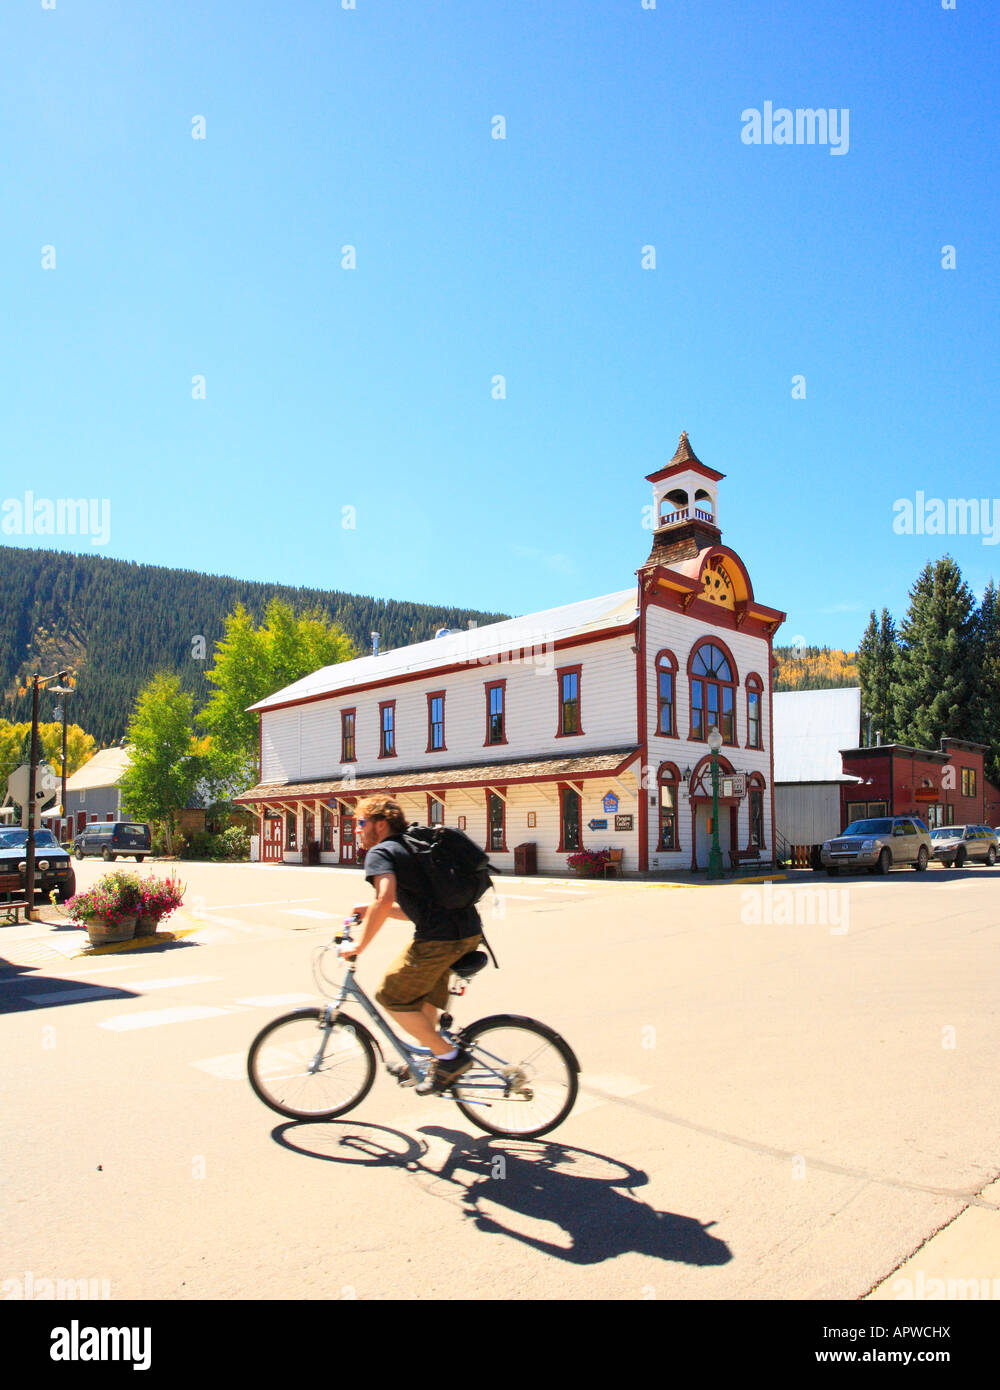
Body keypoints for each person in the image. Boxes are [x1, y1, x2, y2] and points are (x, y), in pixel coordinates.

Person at [345, 796, 483, 1095]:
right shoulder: (412, 846)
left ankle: (450, 1057)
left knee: (391, 994)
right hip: (468, 932)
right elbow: (415, 909)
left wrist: (358, 946)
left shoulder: (381, 852)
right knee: (423, 1004)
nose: (357, 829)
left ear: (380, 825)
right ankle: (430, 1060)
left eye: (361, 823)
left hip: (440, 940)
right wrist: (369, 911)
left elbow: (384, 898)